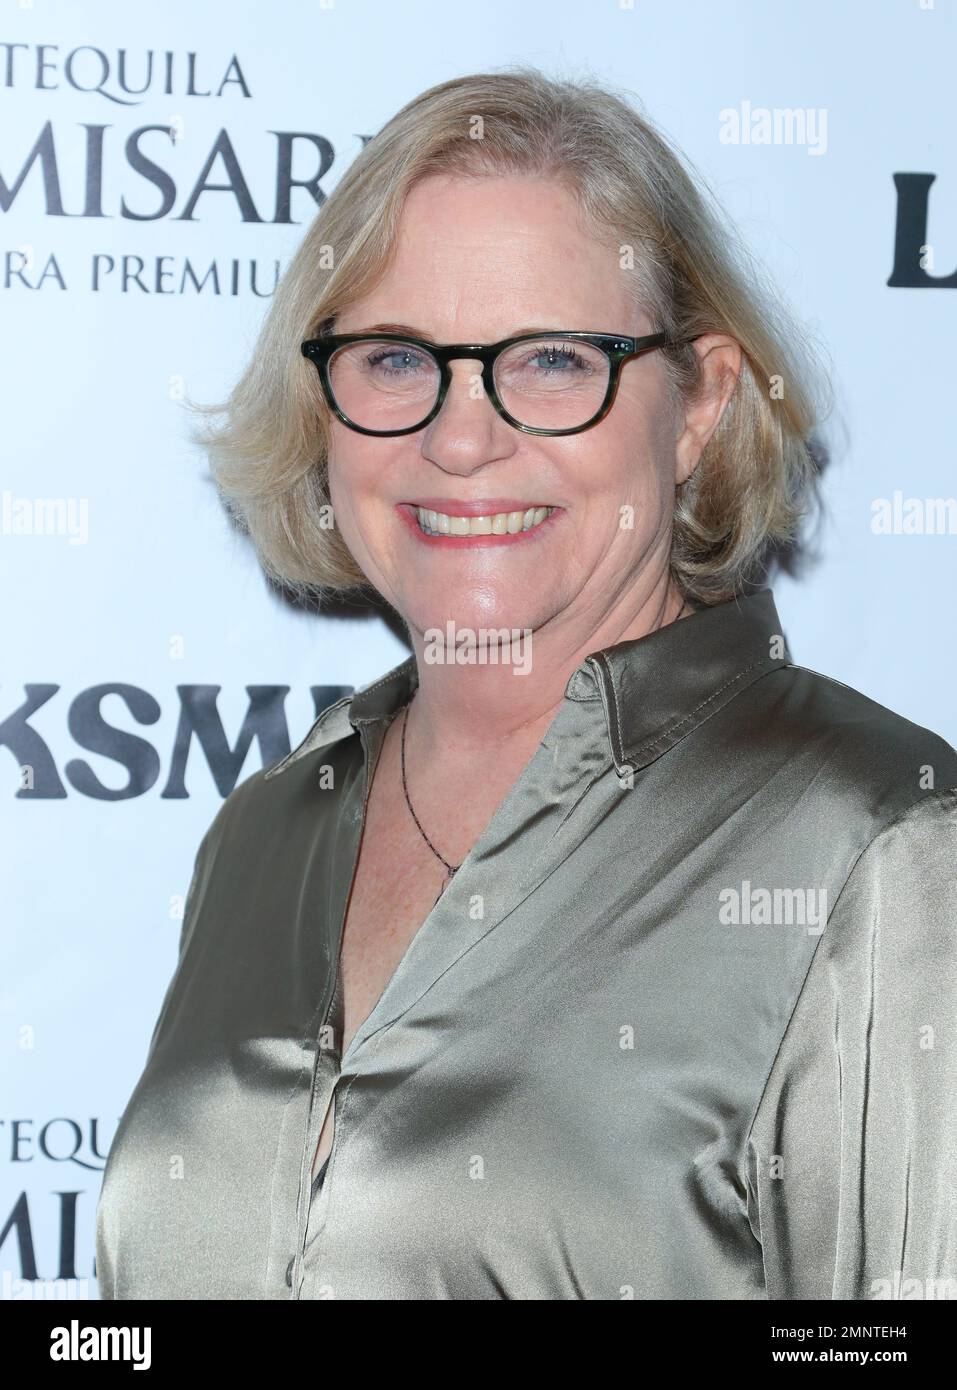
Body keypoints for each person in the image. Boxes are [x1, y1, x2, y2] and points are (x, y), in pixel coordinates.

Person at [95, 67, 957, 1301]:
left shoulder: (882, 848)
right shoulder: (264, 834)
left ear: (701, 403)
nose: (460, 437)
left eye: (553, 359)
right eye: (397, 358)